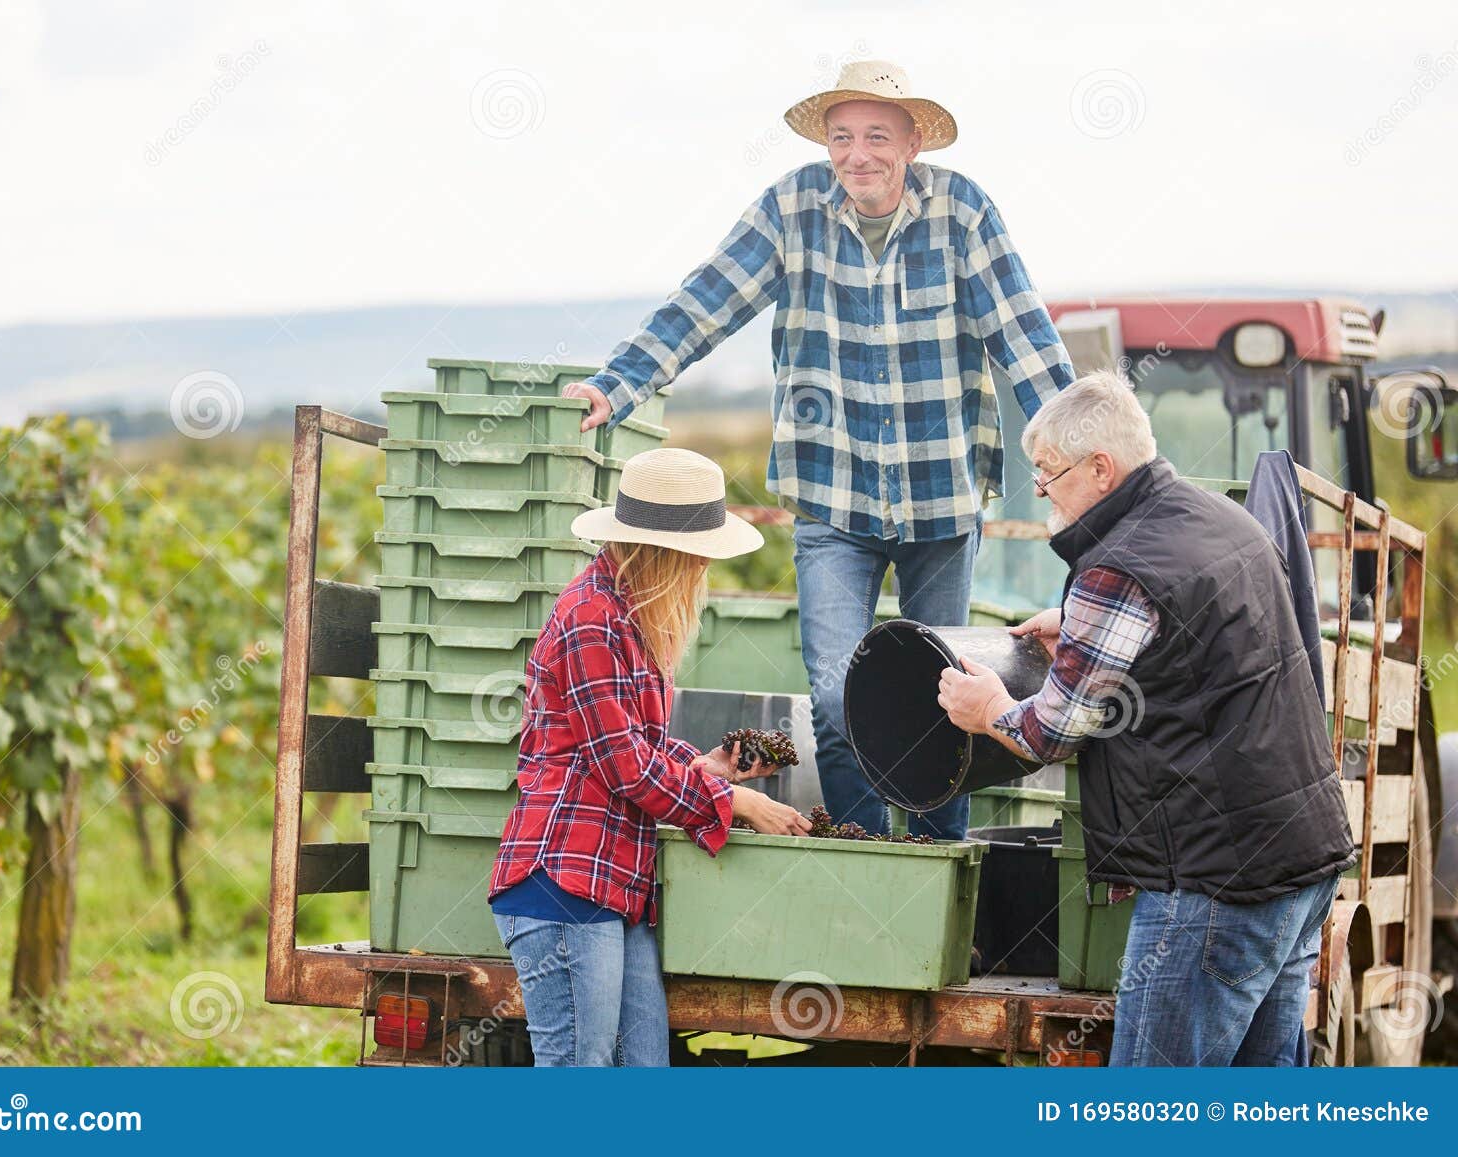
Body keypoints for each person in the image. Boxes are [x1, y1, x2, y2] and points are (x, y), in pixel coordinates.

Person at [564, 59, 1073, 839]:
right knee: (840, 702)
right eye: (842, 137)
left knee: (953, 700)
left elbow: (1024, 339)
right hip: (832, 502)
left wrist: (1073, 449)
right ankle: (857, 861)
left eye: (876, 135)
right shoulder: (791, 208)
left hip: (941, 502)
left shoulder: (964, 213)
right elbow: (708, 299)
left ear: (911, 143)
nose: (856, 154)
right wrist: (620, 382)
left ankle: (940, 880)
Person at [936, 370, 1356, 1066]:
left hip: (1217, 884)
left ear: (1101, 468)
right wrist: (1078, 626)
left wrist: (989, 711)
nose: (1041, 493)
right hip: (1303, 863)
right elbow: (1197, 649)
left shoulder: (1116, 568)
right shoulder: (1221, 519)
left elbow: (1049, 731)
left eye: (1048, 475)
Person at [488, 447, 812, 1066]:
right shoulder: (593, 618)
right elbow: (624, 766)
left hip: (616, 884)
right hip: (565, 880)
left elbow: (638, 744)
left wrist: (709, 767)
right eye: (699, 556)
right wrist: (735, 801)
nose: (702, 570)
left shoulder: (628, 617)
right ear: (666, 552)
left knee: (642, 1071)